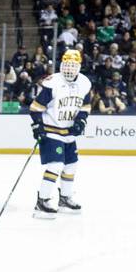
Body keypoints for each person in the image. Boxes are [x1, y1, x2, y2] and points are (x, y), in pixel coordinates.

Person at [29, 48, 91, 218]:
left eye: (73, 65)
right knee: (55, 165)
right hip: (51, 131)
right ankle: (42, 201)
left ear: (78, 66)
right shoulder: (53, 82)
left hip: (69, 133)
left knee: (71, 165)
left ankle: (65, 198)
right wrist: (38, 127)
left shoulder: (85, 83)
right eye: (66, 64)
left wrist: (81, 120)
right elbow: (35, 108)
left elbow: (85, 107)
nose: (69, 69)